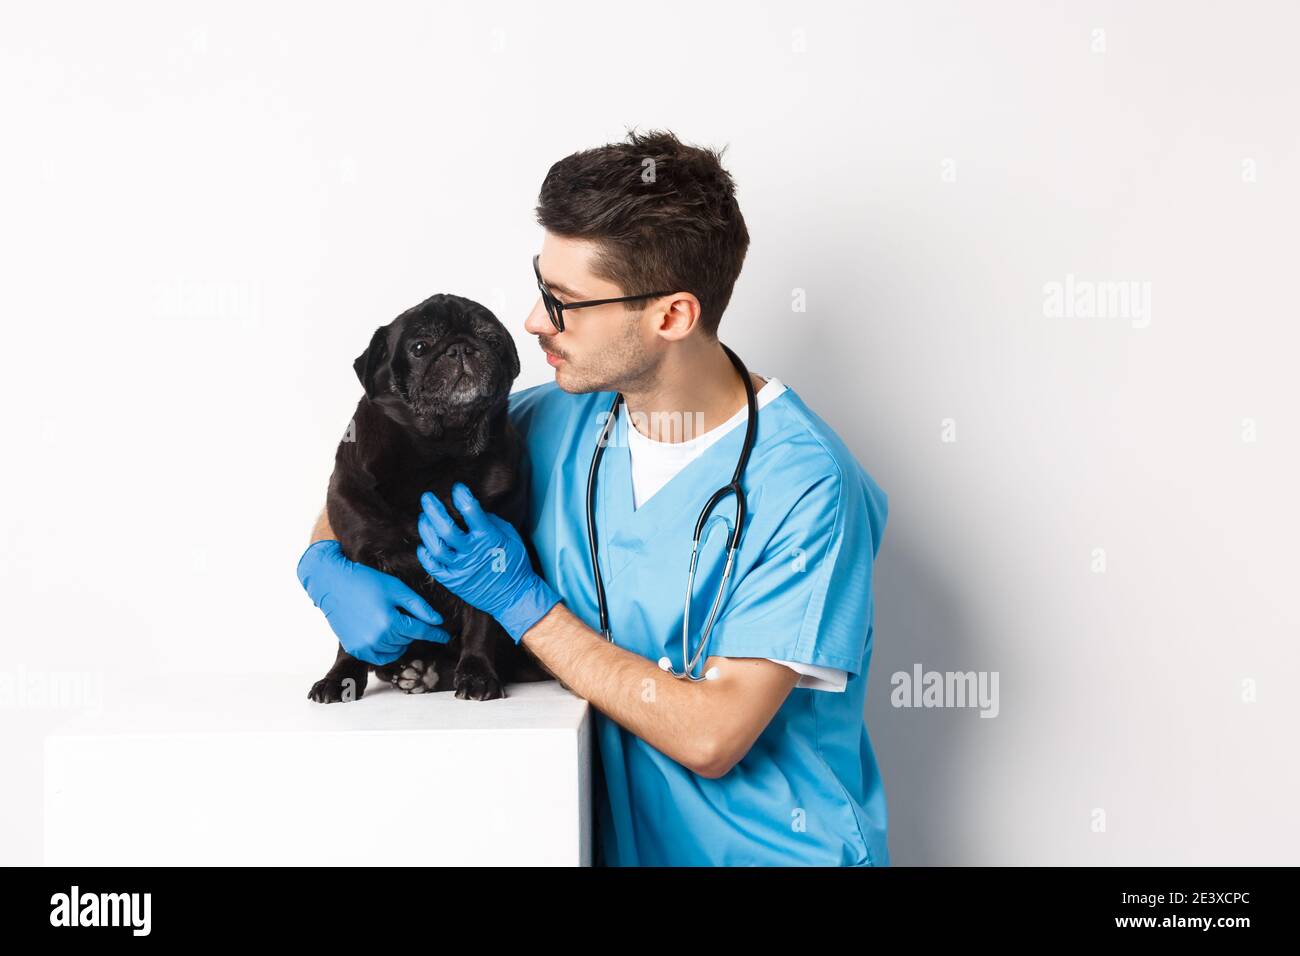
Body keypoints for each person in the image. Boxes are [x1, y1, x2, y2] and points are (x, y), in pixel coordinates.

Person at [297, 129, 891, 866]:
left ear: (671, 316)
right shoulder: (553, 420)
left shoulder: (805, 486)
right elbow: (378, 477)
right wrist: (325, 560)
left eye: (565, 302)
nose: (534, 321)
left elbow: (712, 736)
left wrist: (523, 605)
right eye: (540, 287)